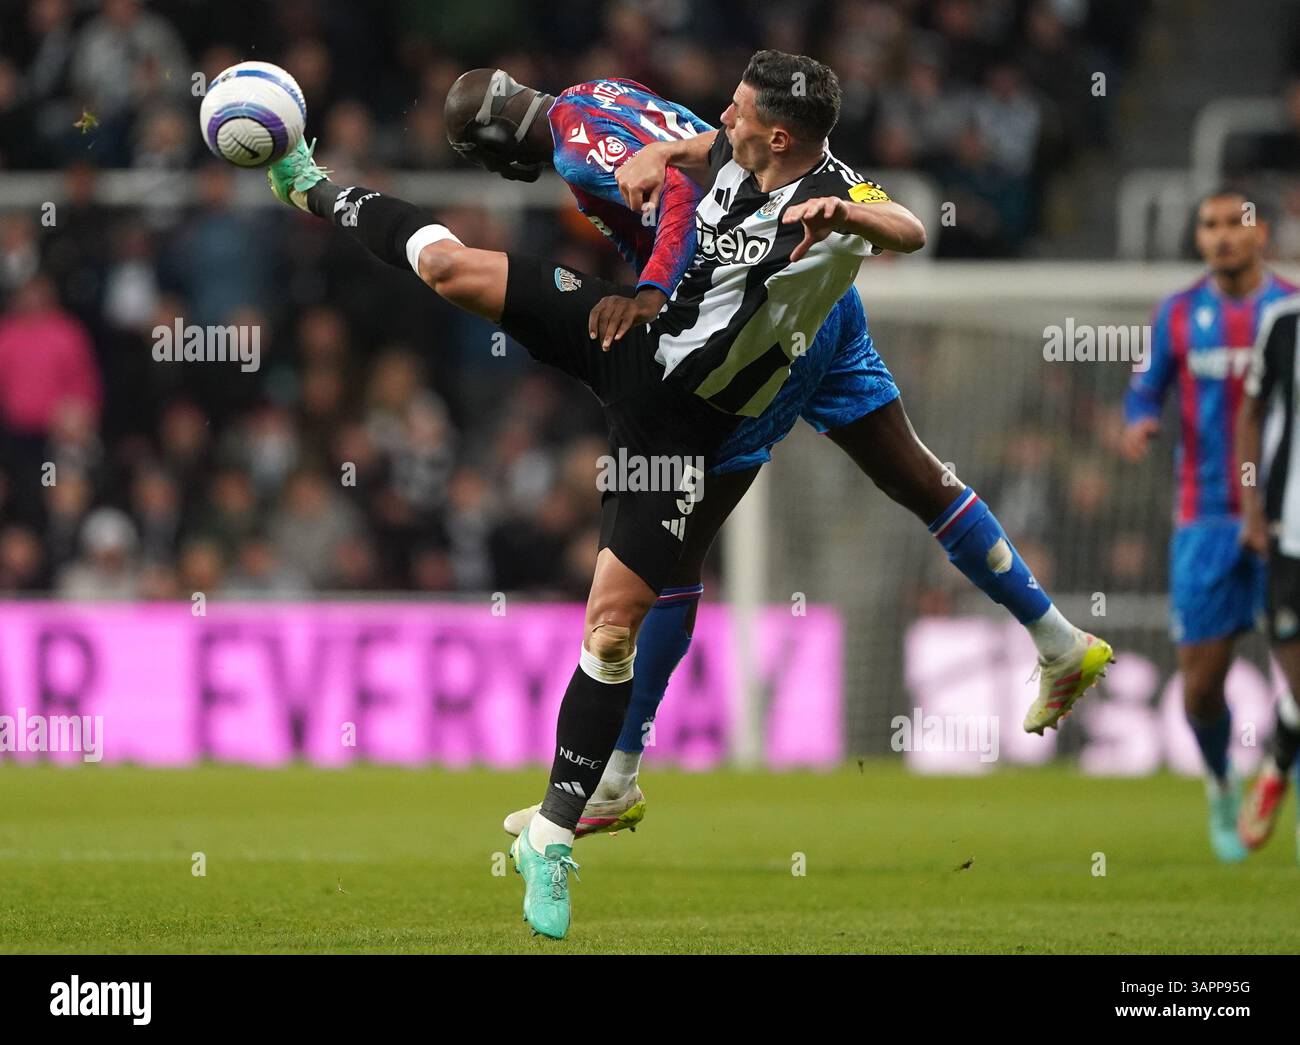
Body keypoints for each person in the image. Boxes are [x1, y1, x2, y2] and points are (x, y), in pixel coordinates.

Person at [265, 50, 1107, 939]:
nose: (721, 118)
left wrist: (775, 227)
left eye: (739, 110)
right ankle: (312, 184)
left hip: (698, 405)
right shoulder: (719, 144)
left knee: (621, 609)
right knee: (451, 270)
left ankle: (569, 817)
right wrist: (672, 180)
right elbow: (693, 162)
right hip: (644, 344)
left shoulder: (754, 178)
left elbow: (900, 224)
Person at [441, 67, 1114, 843]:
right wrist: (673, 160)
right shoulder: (605, 90)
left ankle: (616, 775)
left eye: (476, 154)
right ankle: (1058, 638)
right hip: (815, 300)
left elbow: (731, 204)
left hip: (756, 325)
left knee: (672, 548)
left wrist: (656, 292)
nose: (729, 114)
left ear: (492, 143)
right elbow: (707, 148)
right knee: (914, 475)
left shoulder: (578, 143)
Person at [1122, 187, 1297, 862]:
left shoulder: (1290, 312)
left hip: (1286, 516)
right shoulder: (1177, 314)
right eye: (1210, 226)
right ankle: (1223, 781)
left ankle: (1284, 789)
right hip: (1204, 516)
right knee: (1199, 684)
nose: (1222, 236)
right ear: (1199, 239)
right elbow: (1144, 387)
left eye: (1235, 223)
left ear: (1262, 233)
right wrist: (1140, 418)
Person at [1236, 289, 1300, 860]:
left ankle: (1278, 769)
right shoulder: (1284, 324)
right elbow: (1251, 412)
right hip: (1291, 533)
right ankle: (1279, 765)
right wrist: (1253, 508)